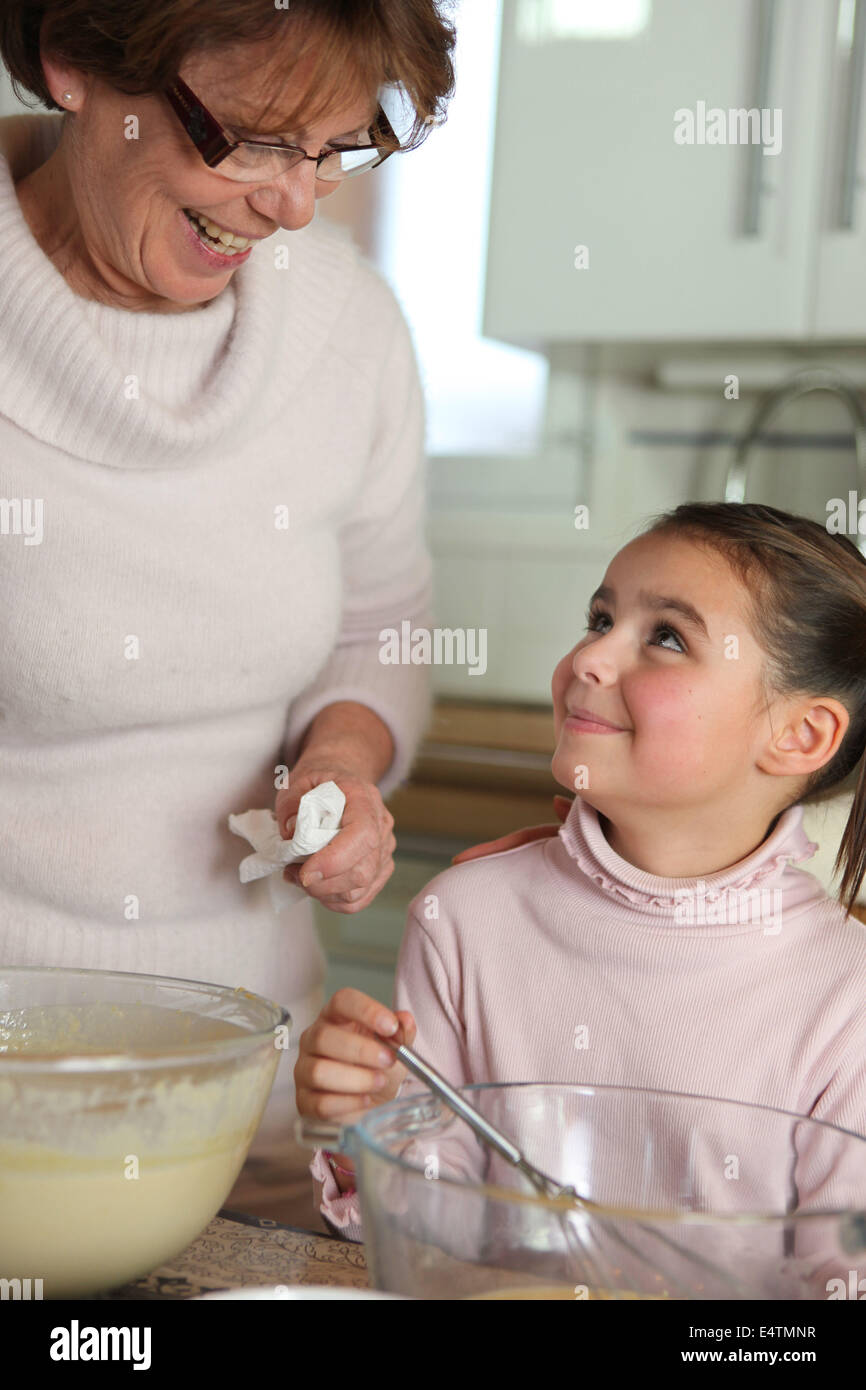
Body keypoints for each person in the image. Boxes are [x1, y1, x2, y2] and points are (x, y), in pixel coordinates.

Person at [0, 0, 456, 1169]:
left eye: (335, 149)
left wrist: (344, 765)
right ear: (73, 62)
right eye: (252, 139)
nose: (296, 205)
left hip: (247, 1099)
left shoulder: (345, 325)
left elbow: (378, 623)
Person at [296, 501, 866, 1279]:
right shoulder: (464, 918)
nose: (590, 659)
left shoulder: (847, 992)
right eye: (600, 619)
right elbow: (430, 1240)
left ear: (799, 736)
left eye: (666, 637)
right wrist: (369, 1134)